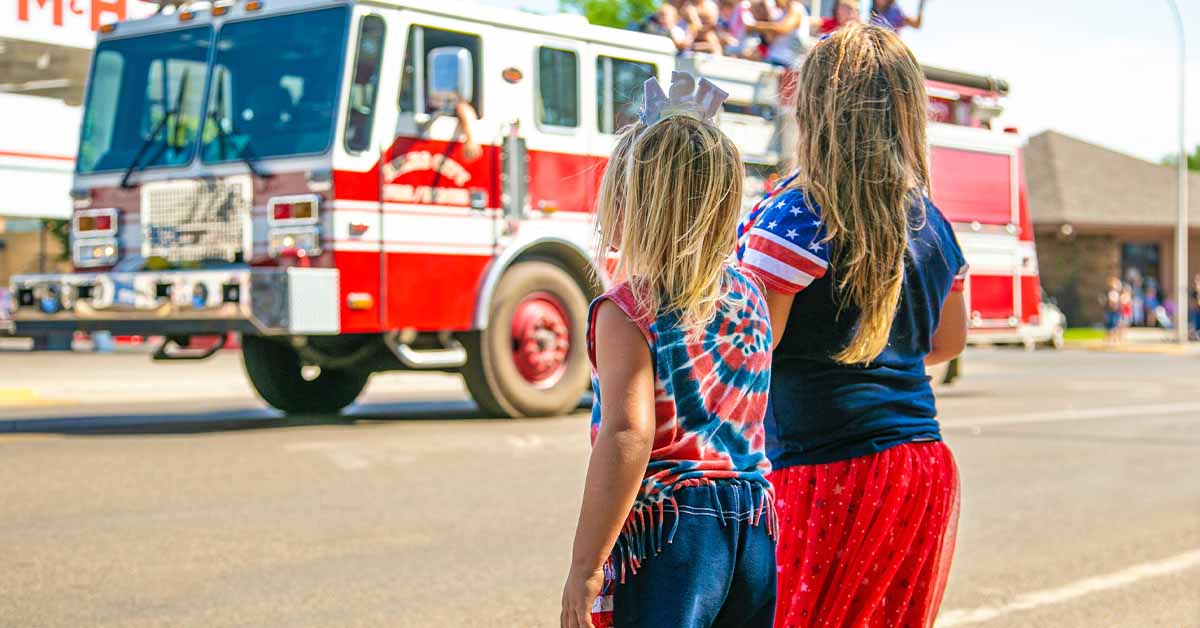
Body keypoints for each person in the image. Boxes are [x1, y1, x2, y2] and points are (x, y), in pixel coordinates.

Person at [737, 24, 967, 626]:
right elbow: (946, 344)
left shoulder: (794, 216)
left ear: (812, 109)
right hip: (920, 467)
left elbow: (749, 345)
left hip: (824, 472)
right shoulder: (933, 222)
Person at [561, 75, 776, 628]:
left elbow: (628, 434)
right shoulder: (750, 293)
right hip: (753, 524)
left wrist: (584, 568)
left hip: (674, 535)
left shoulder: (626, 310)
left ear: (634, 204)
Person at [743, 0, 810, 67]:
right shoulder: (782, 12)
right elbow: (770, 38)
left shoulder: (796, 8)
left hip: (786, 63)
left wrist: (755, 26)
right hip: (776, 60)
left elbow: (783, 29)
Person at [1104, 276, 1122, 344]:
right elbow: (1111, 302)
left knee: (1115, 325)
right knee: (1110, 326)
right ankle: (1109, 339)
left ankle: (1115, 339)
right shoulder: (1111, 292)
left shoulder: (1117, 293)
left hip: (1116, 311)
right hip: (1111, 311)